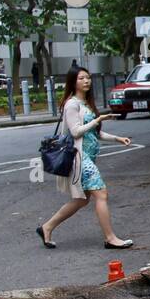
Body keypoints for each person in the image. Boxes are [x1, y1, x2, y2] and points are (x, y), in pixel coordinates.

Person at [38, 66, 134, 249]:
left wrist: (117, 139)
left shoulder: (87, 104)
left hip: (88, 156)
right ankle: (110, 238)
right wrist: (97, 120)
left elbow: (93, 134)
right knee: (101, 193)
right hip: (79, 158)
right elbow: (76, 132)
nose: (86, 81)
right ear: (73, 82)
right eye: (81, 78)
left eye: (88, 78)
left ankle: (46, 227)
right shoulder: (71, 104)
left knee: (82, 200)